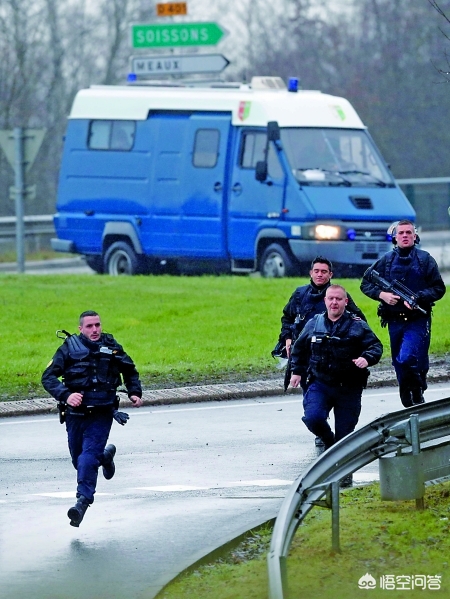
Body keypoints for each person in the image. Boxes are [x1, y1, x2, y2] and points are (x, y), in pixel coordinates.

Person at [42, 310, 143, 527]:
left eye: (97, 325)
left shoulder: (112, 346)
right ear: (81, 329)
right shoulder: (68, 348)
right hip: (75, 415)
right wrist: (67, 395)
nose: (95, 330)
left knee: (87, 459)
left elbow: (130, 370)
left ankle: (82, 503)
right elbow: (48, 377)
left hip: (102, 412)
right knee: (78, 461)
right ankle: (105, 457)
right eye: (89, 326)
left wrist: (135, 392)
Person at [289, 285, 383, 465]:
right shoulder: (314, 324)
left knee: (344, 439)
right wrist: (296, 372)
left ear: (345, 302)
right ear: (325, 301)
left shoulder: (358, 325)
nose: (334, 303)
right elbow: (299, 349)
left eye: (338, 299)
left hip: (348, 387)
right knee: (313, 418)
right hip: (320, 383)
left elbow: (376, 347)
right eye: (330, 299)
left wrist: (366, 358)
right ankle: (327, 440)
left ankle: (342, 477)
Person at [360, 220, 446, 407]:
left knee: (412, 359)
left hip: (418, 319)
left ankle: (417, 389)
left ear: (415, 236)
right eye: (401, 233)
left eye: (409, 232)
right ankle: (409, 395)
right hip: (394, 320)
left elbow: (439, 288)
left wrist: (418, 298)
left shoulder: (425, 259)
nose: (405, 236)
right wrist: (382, 295)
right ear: (395, 237)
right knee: (399, 363)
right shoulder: (386, 260)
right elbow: (365, 283)